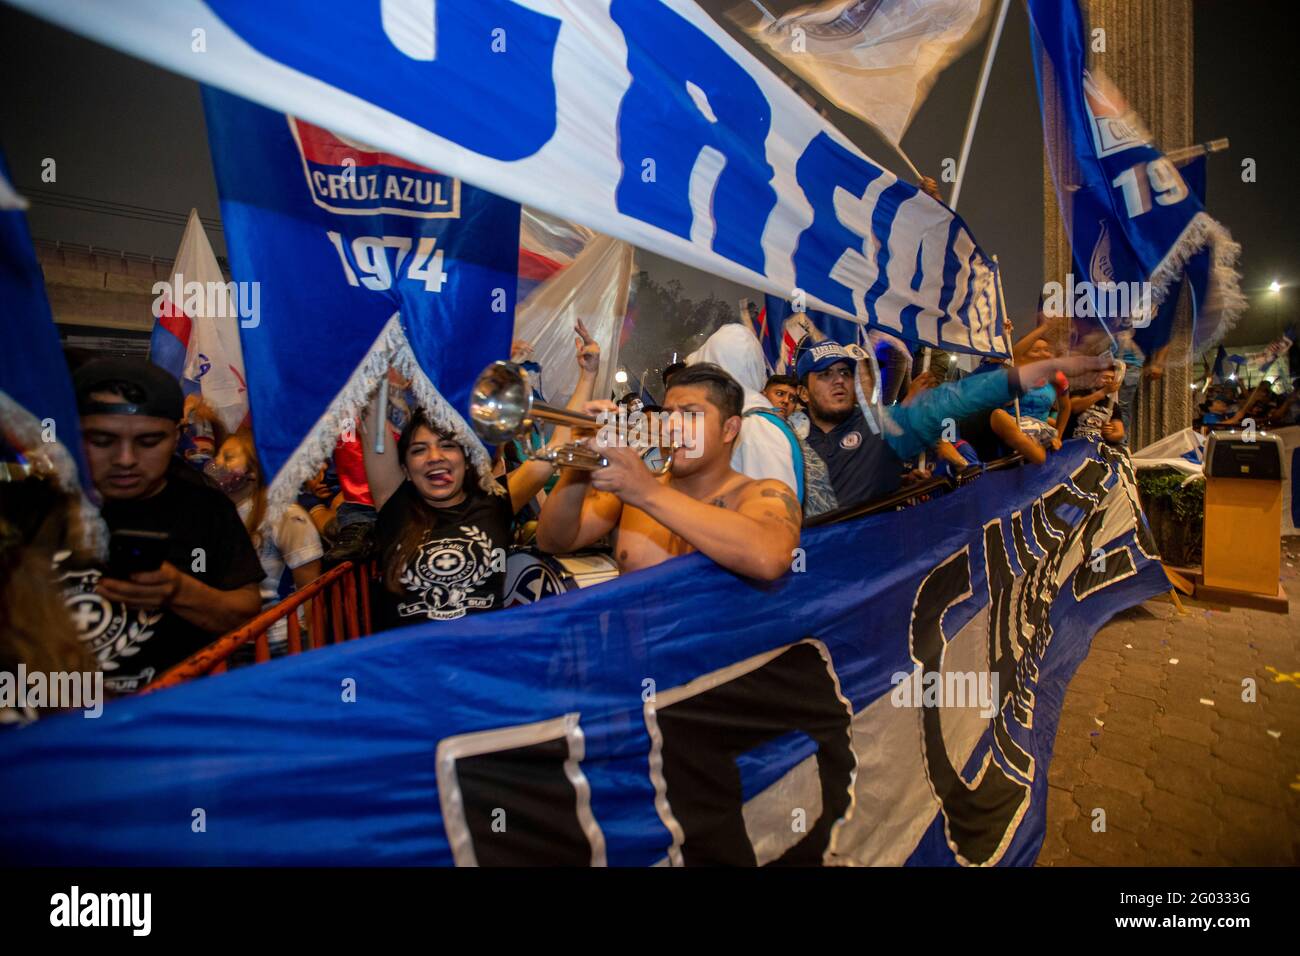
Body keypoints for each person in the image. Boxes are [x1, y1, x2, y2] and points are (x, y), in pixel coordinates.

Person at [64, 357, 263, 693]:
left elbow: (244, 613)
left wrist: (179, 591)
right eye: (101, 441)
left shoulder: (205, 507)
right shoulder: (36, 505)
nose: (125, 459)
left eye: (148, 442)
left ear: (177, 435)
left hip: (166, 715)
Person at [535, 363, 801, 581]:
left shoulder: (763, 493)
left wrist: (647, 492)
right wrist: (582, 461)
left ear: (729, 429)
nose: (672, 425)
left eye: (690, 414)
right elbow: (552, 541)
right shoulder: (634, 489)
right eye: (668, 414)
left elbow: (768, 557)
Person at [799, 341, 1111, 511]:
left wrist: (1030, 374)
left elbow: (953, 400)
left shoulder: (882, 428)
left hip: (869, 573)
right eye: (824, 374)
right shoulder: (782, 438)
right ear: (802, 391)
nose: (838, 380)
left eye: (844, 372)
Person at [210, 428, 323, 655]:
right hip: (228, 645)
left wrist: (314, 652)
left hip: (280, 643)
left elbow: (311, 593)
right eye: (218, 456)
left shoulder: (285, 516)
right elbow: (199, 569)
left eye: (228, 457)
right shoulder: (212, 517)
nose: (217, 464)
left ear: (253, 471)